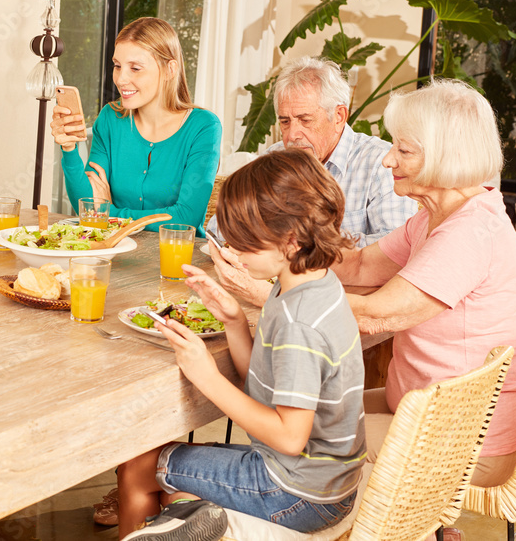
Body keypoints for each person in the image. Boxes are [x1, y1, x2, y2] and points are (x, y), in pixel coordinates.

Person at [116, 148, 366, 540]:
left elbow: (288, 435)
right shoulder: (311, 286)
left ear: (291, 240)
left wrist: (206, 375)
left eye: (246, 243)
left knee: (137, 469)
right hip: (323, 481)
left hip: (295, 491)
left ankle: (188, 518)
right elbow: (269, 387)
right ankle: (191, 515)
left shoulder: (299, 323)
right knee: (177, 495)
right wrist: (233, 321)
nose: (234, 253)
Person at [333, 80, 516, 490]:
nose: (388, 160)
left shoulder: (469, 232)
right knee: (313, 409)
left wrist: (269, 294)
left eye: (404, 150)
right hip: (420, 412)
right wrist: (287, 253)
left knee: (305, 438)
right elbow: (357, 267)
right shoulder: (434, 216)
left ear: (448, 155)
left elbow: (375, 314)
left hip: (463, 442)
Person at [207, 56, 416, 306]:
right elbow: (218, 228)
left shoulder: (380, 163)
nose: (293, 134)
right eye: (285, 122)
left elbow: (397, 249)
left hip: (343, 303)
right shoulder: (275, 157)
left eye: (305, 120)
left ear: (339, 116)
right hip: (267, 294)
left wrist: (288, 242)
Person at [50, 17, 221, 237]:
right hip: (114, 255)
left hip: (177, 261)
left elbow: (185, 219)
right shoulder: (110, 119)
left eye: (135, 68)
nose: (121, 79)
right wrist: (69, 149)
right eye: (118, 66)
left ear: (170, 70)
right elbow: (88, 209)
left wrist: (111, 214)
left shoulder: (203, 127)